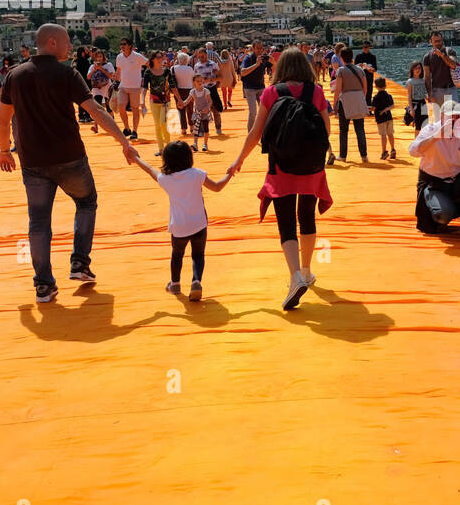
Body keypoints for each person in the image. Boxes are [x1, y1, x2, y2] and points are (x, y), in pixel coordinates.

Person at [0, 23, 136, 304]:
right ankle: (79, 264)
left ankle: (44, 285)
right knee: (86, 202)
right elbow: (95, 110)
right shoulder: (67, 74)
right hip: (69, 157)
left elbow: (3, 118)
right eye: (67, 42)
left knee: (38, 222)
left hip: (33, 161)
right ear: (52, 42)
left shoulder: (15, 75)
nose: (71, 47)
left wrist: (3, 150)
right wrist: (124, 141)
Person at [229, 46, 333, 310]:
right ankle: (308, 271)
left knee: (286, 221)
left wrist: (239, 160)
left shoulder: (271, 93)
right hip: (311, 166)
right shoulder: (317, 92)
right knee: (306, 216)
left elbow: (256, 133)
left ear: (280, 68)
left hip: (281, 166)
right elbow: (327, 129)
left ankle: (295, 275)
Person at [128, 140, 233, 301]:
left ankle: (175, 283)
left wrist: (135, 157)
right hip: (199, 224)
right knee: (198, 255)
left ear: (167, 160)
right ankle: (196, 282)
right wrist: (230, 173)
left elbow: (150, 169)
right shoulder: (197, 174)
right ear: (188, 158)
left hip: (178, 227)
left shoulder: (165, 179)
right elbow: (217, 187)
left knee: (177, 254)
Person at [409, 98, 460, 238]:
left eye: (458, 117)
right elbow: (413, 151)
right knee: (443, 216)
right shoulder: (430, 130)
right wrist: (436, 136)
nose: (455, 120)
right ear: (442, 117)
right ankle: (441, 211)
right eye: (451, 117)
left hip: (456, 181)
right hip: (434, 184)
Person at [329, 42, 370, 166]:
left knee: (343, 130)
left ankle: (343, 155)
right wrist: (360, 97)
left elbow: (338, 89)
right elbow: (365, 88)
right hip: (358, 98)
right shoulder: (360, 69)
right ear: (352, 57)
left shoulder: (341, 71)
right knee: (360, 129)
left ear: (341, 58)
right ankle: (364, 156)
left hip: (345, 100)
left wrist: (334, 103)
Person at [113, 38, 149, 140]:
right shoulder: (119, 57)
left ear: (130, 46)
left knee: (135, 109)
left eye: (124, 44)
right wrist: (115, 78)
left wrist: (149, 76)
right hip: (123, 86)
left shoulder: (137, 56)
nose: (122, 46)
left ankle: (135, 131)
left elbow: (148, 64)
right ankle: (127, 128)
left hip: (135, 87)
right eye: (121, 44)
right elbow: (119, 70)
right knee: (121, 107)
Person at [142, 50, 173, 157]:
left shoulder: (167, 71)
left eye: (161, 57)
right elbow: (145, 87)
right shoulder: (148, 72)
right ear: (153, 59)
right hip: (154, 101)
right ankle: (161, 149)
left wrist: (180, 100)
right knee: (157, 125)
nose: (160, 59)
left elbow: (173, 86)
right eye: (158, 57)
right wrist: (142, 101)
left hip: (166, 101)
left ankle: (169, 146)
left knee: (163, 123)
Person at [238, 40, 269, 132]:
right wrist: (256, 65)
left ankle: (264, 132)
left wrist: (273, 61)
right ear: (253, 49)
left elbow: (274, 68)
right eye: (257, 48)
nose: (260, 50)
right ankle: (251, 133)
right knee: (253, 112)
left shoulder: (264, 58)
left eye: (261, 48)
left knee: (265, 112)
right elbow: (242, 72)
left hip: (261, 87)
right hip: (250, 88)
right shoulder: (248, 58)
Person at [423, 32, 457, 113]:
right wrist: (429, 94)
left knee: (453, 117)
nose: (438, 43)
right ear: (431, 41)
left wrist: (442, 55)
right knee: (438, 120)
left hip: (450, 89)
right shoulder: (427, 57)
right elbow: (427, 77)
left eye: (440, 41)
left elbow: (453, 65)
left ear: (442, 40)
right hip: (436, 91)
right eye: (436, 41)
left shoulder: (450, 51)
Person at [193, 47, 224, 135]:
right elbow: (194, 79)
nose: (201, 58)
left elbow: (220, 77)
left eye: (202, 56)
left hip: (211, 90)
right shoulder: (196, 66)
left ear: (206, 54)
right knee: (201, 111)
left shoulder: (213, 64)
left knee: (215, 110)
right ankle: (203, 130)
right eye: (199, 57)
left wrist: (210, 80)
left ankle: (218, 128)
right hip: (201, 91)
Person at [86, 50, 115, 134]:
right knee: (97, 107)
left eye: (100, 56)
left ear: (103, 57)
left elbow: (111, 76)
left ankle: (112, 125)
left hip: (107, 87)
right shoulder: (92, 66)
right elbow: (88, 77)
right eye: (97, 57)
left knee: (109, 107)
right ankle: (95, 126)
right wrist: (94, 70)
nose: (99, 58)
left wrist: (101, 69)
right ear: (94, 58)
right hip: (97, 89)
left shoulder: (108, 65)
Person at [171, 51, 196, 138]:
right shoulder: (190, 69)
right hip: (189, 89)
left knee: (181, 109)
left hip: (178, 90)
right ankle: (192, 126)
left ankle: (183, 128)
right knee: (190, 109)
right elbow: (193, 79)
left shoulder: (173, 68)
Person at [371, 76, 396, 160]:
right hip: (389, 117)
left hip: (380, 119)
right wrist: (386, 109)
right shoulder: (389, 96)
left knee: (383, 135)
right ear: (385, 86)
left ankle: (384, 151)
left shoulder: (375, 98)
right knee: (390, 134)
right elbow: (392, 106)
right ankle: (393, 149)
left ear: (376, 87)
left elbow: (373, 108)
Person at [188, 73, 213, 152]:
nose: (199, 82)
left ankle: (205, 144)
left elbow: (210, 101)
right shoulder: (192, 92)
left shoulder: (206, 91)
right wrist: (182, 103)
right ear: (194, 82)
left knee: (206, 128)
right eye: (197, 81)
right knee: (196, 128)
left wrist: (207, 107)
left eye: (201, 81)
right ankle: (195, 144)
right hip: (197, 113)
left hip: (205, 113)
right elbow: (188, 100)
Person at [404, 61, 428, 134]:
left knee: (425, 125)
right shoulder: (410, 81)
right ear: (412, 70)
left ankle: (423, 143)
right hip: (415, 104)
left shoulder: (423, 80)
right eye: (416, 68)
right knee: (418, 126)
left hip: (423, 104)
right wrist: (411, 109)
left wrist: (428, 98)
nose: (418, 70)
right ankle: (416, 144)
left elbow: (423, 93)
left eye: (419, 68)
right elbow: (409, 96)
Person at [72, 46, 94, 123]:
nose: (87, 52)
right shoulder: (78, 61)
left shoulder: (85, 60)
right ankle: (82, 116)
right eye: (85, 51)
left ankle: (86, 116)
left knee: (86, 100)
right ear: (82, 52)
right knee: (82, 100)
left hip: (85, 83)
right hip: (81, 83)